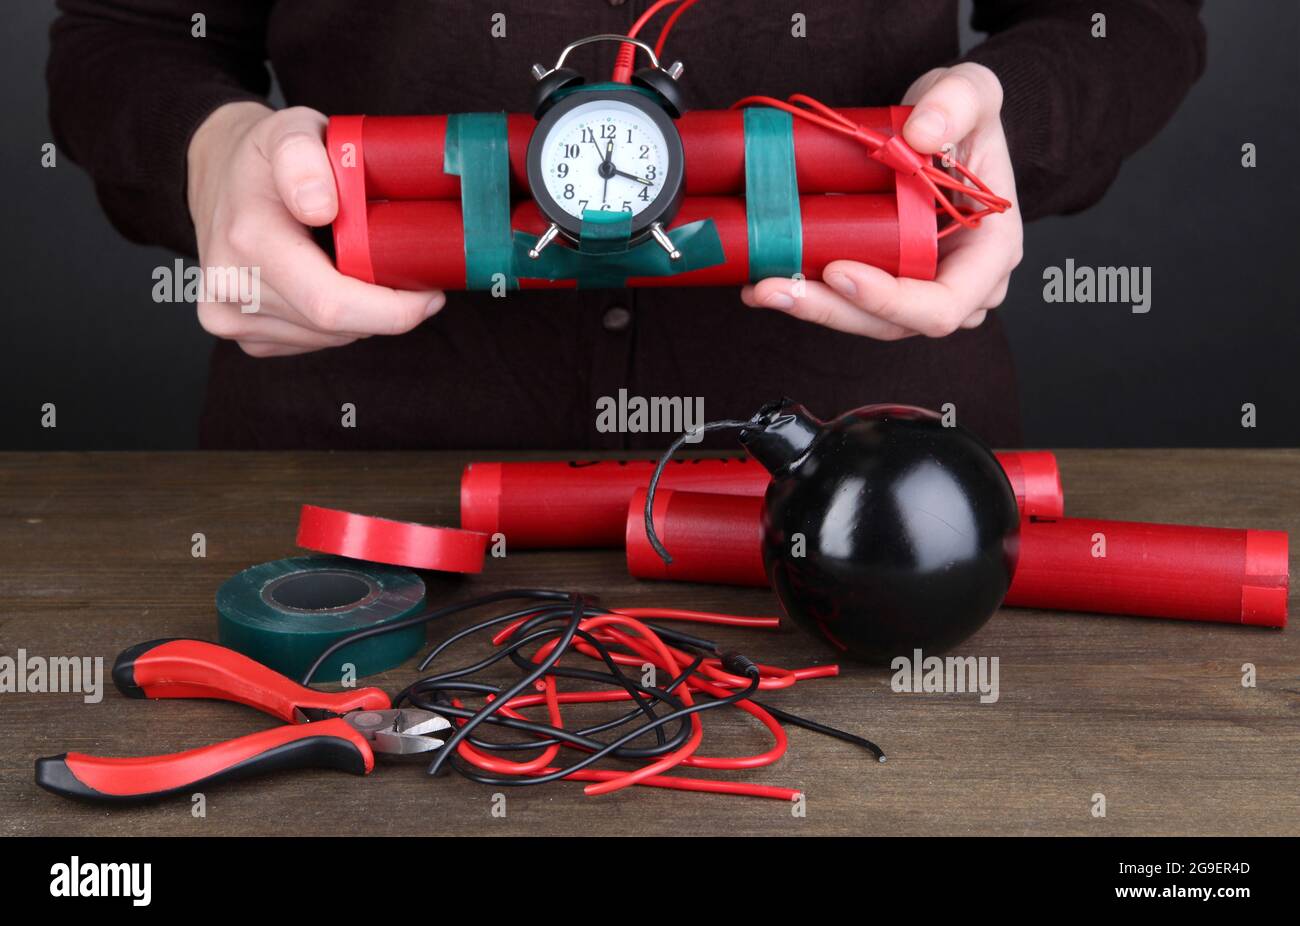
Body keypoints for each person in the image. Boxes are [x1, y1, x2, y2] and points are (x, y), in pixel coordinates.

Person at [47, 0, 1205, 450]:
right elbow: (124, 34)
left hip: (869, 484)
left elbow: (1127, 15)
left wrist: (1014, 120)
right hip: (355, 501)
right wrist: (208, 155)